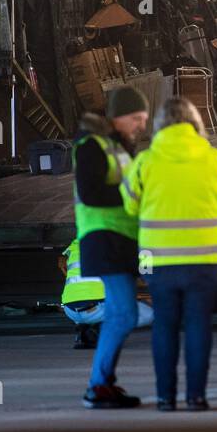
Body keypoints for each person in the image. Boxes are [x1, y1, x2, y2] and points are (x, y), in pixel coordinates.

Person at [122, 97, 217, 411]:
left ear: (160, 124)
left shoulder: (145, 160)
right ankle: (196, 396)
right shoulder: (214, 158)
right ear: (195, 123)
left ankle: (165, 397)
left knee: (164, 324)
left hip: (158, 261)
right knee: (198, 324)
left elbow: (129, 205)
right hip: (205, 260)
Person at [74, 86, 149, 409]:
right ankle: (98, 386)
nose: (141, 126)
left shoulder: (120, 148)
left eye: (144, 119)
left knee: (123, 313)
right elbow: (91, 193)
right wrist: (132, 196)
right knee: (124, 313)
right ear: (117, 117)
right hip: (103, 239)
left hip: (121, 241)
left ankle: (104, 384)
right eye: (136, 118)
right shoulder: (92, 146)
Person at [59, 237, 153, 350]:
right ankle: (103, 329)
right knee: (151, 314)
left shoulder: (77, 243)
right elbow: (144, 280)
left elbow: (62, 261)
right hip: (97, 308)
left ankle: (85, 329)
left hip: (70, 311)